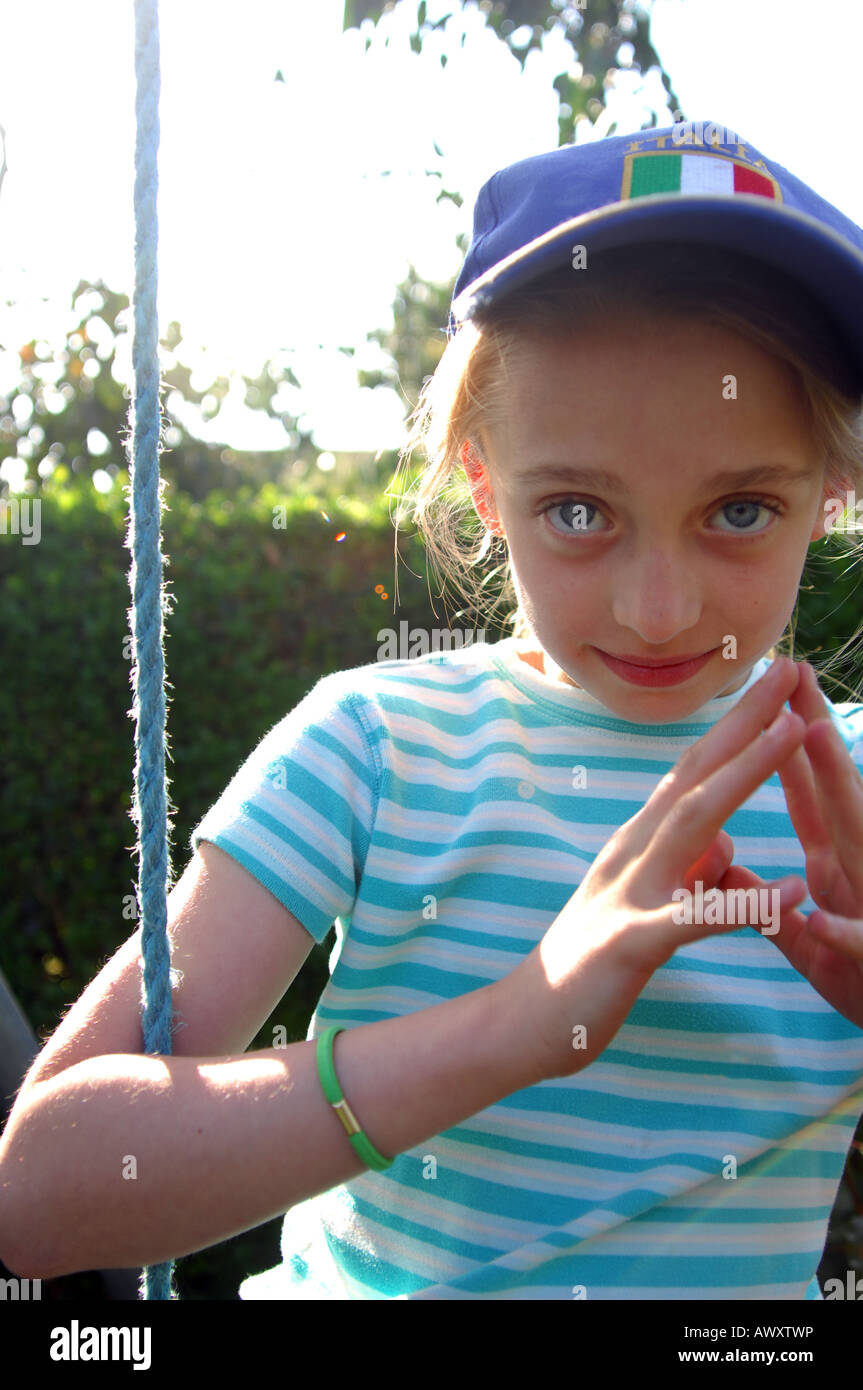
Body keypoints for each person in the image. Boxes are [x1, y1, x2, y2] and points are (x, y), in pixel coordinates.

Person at [1, 120, 862, 1301]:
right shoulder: (371, 748)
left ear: (831, 490)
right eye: (574, 509)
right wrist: (518, 1023)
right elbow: (42, 1190)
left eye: (739, 509)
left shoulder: (847, 796)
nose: (657, 608)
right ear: (478, 480)